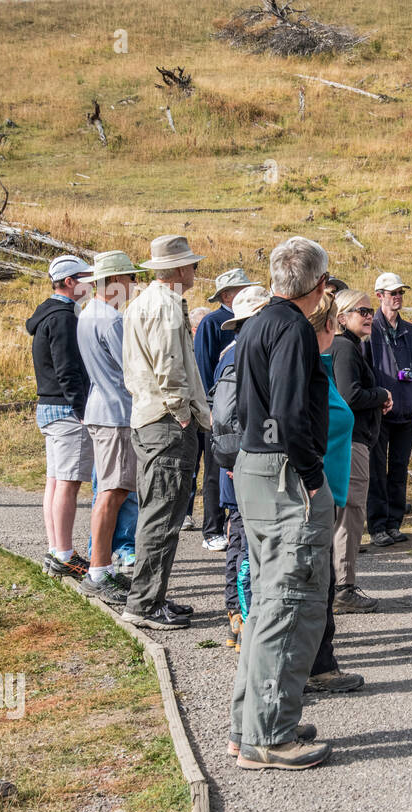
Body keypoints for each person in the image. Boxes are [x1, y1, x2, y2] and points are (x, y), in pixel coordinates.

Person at [228, 236, 334, 770]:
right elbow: (292, 411)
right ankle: (269, 736)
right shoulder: (292, 329)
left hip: (256, 466)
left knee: (271, 598)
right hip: (285, 473)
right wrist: (313, 476)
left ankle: (249, 723)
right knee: (292, 600)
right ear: (319, 285)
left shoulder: (256, 323)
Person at [121, 235, 210, 630]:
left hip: (150, 416)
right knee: (163, 514)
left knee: (160, 510)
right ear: (176, 269)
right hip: (166, 421)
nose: (195, 271)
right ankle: (143, 605)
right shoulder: (165, 307)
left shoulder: (143, 303)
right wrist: (182, 413)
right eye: (191, 265)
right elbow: (169, 365)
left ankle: (151, 596)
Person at [303, 290, 365, 694]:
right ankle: (310, 669)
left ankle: (320, 663)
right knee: (312, 585)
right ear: (330, 325)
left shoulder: (322, 364)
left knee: (321, 585)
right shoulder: (312, 368)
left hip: (329, 492)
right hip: (314, 493)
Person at [75, 250, 142, 605]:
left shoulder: (89, 314)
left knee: (110, 490)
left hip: (102, 407)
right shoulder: (111, 320)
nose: (132, 284)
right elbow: (131, 368)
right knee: (113, 492)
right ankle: (99, 569)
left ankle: (102, 567)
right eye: (129, 278)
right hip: (117, 412)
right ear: (114, 280)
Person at [28, 255, 94, 579]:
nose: (90, 283)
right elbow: (67, 368)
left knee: (54, 482)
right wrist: (82, 410)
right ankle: (65, 554)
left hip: (48, 405)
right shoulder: (64, 318)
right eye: (85, 277)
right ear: (69, 281)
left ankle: (56, 549)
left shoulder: (46, 315)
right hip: (66, 409)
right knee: (67, 484)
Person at [211, 284, 270, 647]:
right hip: (240, 461)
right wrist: (236, 460)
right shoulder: (241, 356)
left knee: (239, 537)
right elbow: (229, 416)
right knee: (245, 541)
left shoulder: (233, 352)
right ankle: (243, 619)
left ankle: (236, 614)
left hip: (236, 460)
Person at [329, 289, 388, 614]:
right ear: (341, 317)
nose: (368, 315)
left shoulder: (349, 347)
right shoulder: (345, 348)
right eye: (360, 310)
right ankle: (343, 588)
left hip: (352, 441)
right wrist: (380, 395)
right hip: (352, 443)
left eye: (369, 311)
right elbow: (349, 396)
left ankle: (339, 586)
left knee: (347, 514)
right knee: (351, 514)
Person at [194, 268, 253, 551]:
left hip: (239, 410)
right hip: (217, 407)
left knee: (232, 466)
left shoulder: (250, 323)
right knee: (215, 469)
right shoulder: (212, 322)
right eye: (241, 289)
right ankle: (211, 528)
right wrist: (208, 406)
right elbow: (203, 366)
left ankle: (232, 521)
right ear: (227, 295)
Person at [365, 272, 412, 547]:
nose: (398, 297)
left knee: (399, 469)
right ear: (380, 296)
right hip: (380, 413)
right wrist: (375, 401)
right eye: (393, 293)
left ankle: (394, 522)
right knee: (376, 470)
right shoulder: (369, 331)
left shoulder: (410, 331)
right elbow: (364, 373)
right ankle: (377, 526)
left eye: (401, 292)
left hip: (407, 413)